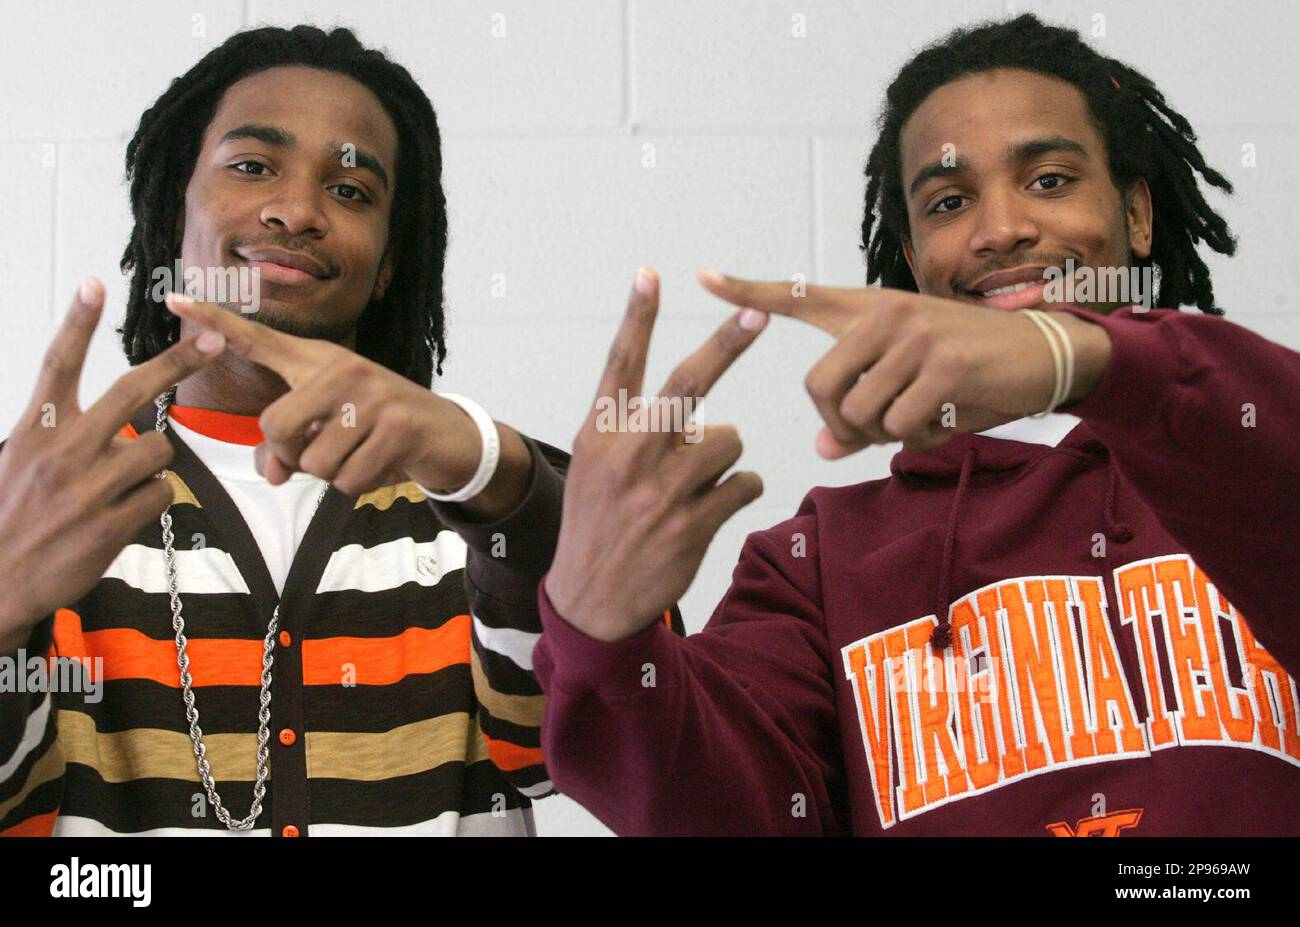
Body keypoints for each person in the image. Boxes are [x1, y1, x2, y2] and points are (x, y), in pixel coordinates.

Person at [532, 14, 1300, 835]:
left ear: (1138, 216)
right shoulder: (818, 563)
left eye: (1048, 179)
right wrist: (601, 636)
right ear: (911, 251)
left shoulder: (1246, 455)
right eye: (948, 200)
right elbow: (728, 810)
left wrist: (1078, 358)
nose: (1000, 228)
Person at [0, 24, 583, 837]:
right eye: (252, 166)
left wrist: (495, 471)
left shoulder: (486, 495)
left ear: (388, 263)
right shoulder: (34, 498)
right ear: (175, 208)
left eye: (351, 192)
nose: (297, 210)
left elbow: (585, 750)